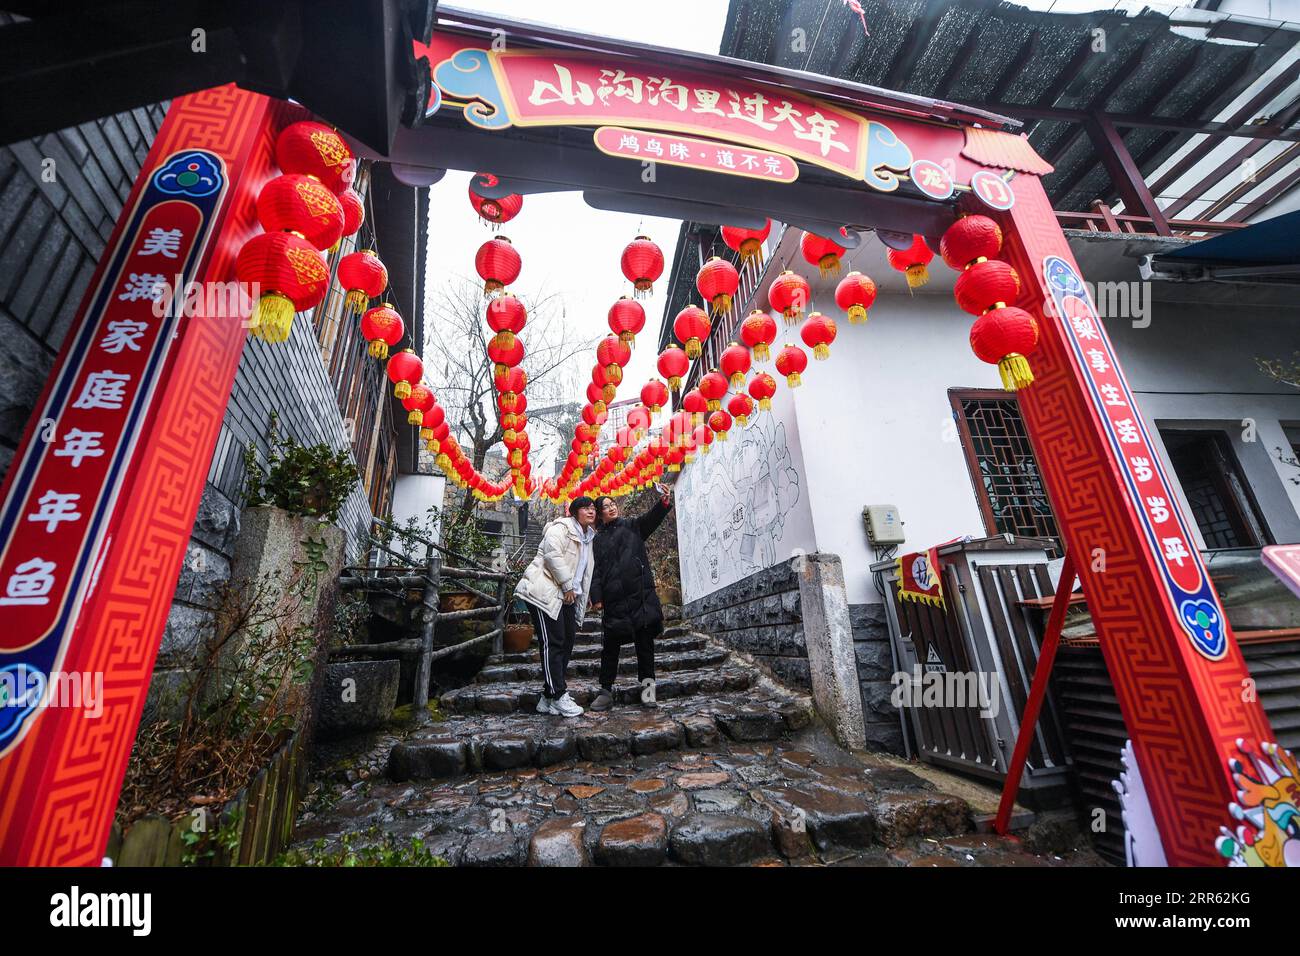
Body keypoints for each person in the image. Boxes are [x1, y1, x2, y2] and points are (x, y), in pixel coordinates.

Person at [588, 483, 674, 711]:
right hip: (614, 601)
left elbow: (651, 520)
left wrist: (663, 503)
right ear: (599, 514)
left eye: (612, 504)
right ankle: (605, 691)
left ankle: (648, 692)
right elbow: (594, 571)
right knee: (610, 648)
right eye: (605, 507)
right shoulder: (596, 541)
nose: (611, 508)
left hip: (640, 598)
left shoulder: (632, 526)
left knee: (645, 647)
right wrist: (596, 596)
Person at [514, 496, 597, 718]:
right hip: (545, 592)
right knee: (553, 642)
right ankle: (558, 694)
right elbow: (552, 555)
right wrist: (568, 584)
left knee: (567, 641)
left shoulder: (588, 537)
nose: (591, 511)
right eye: (585, 508)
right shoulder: (561, 528)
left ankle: (548, 697)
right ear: (575, 511)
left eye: (593, 508)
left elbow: (584, 571)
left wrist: (583, 594)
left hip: (568, 596)